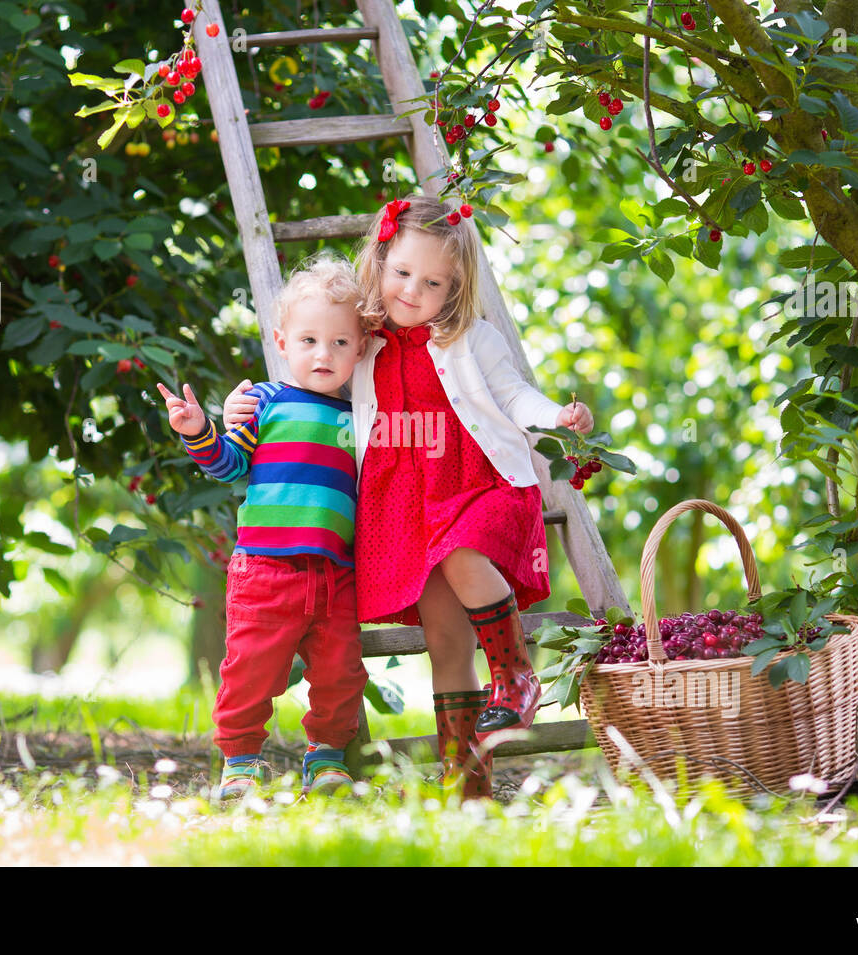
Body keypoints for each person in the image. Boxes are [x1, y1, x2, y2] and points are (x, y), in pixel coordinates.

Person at [222, 196, 593, 798]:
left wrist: (557, 416)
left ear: (455, 287)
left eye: (432, 282)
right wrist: (244, 404)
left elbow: (515, 395)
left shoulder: (473, 339)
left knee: (464, 554)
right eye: (401, 274)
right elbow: (309, 376)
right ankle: (468, 788)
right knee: (447, 645)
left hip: (475, 487)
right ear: (380, 259)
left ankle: (517, 672)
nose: (412, 291)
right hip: (407, 506)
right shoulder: (364, 343)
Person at [157, 252, 374, 800]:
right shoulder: (265, 402)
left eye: (340, 343)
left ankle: (326, 759)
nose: (323, 354)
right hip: (265, 571)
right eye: (308, 342)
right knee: (250, 671)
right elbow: (228, 465)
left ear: (361, 348)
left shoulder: (361, 417)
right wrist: (198, 429)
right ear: (282, 344)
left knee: (342, 674)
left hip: (335, 574)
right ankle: (240, 761)